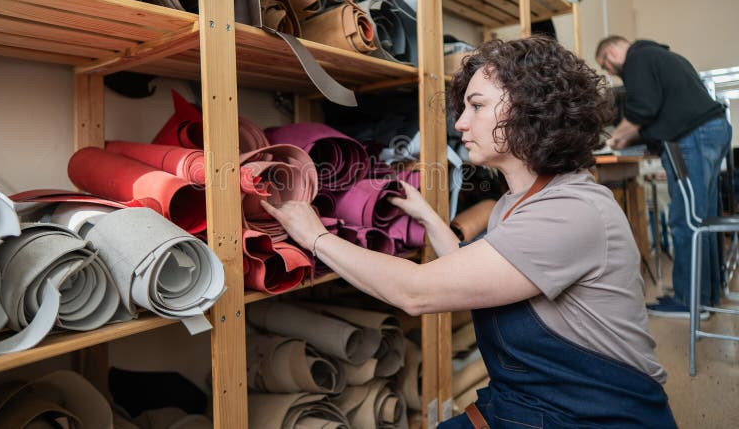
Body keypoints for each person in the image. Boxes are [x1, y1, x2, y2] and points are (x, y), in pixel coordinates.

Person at [262, 37, 677, 428]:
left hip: (596, 415)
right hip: (533, 406)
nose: (460, 123)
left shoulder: (572, 212)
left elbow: (416, 292)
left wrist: (315, 236)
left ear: (532, 110)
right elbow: (474, 269)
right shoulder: (514, 204)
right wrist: (427, 217)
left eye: (476, 106)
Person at [595, 36, 731, 317]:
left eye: (605, 65)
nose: (610, 71)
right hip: (711, 132)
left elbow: (642, 109)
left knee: (687, 221)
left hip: (694, 137)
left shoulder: (637, 60)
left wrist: (610, 142)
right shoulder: (665, 57)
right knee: (703, 219)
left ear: (612, 52)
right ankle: (706, 295)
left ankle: (689, 300)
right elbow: (657, 110)